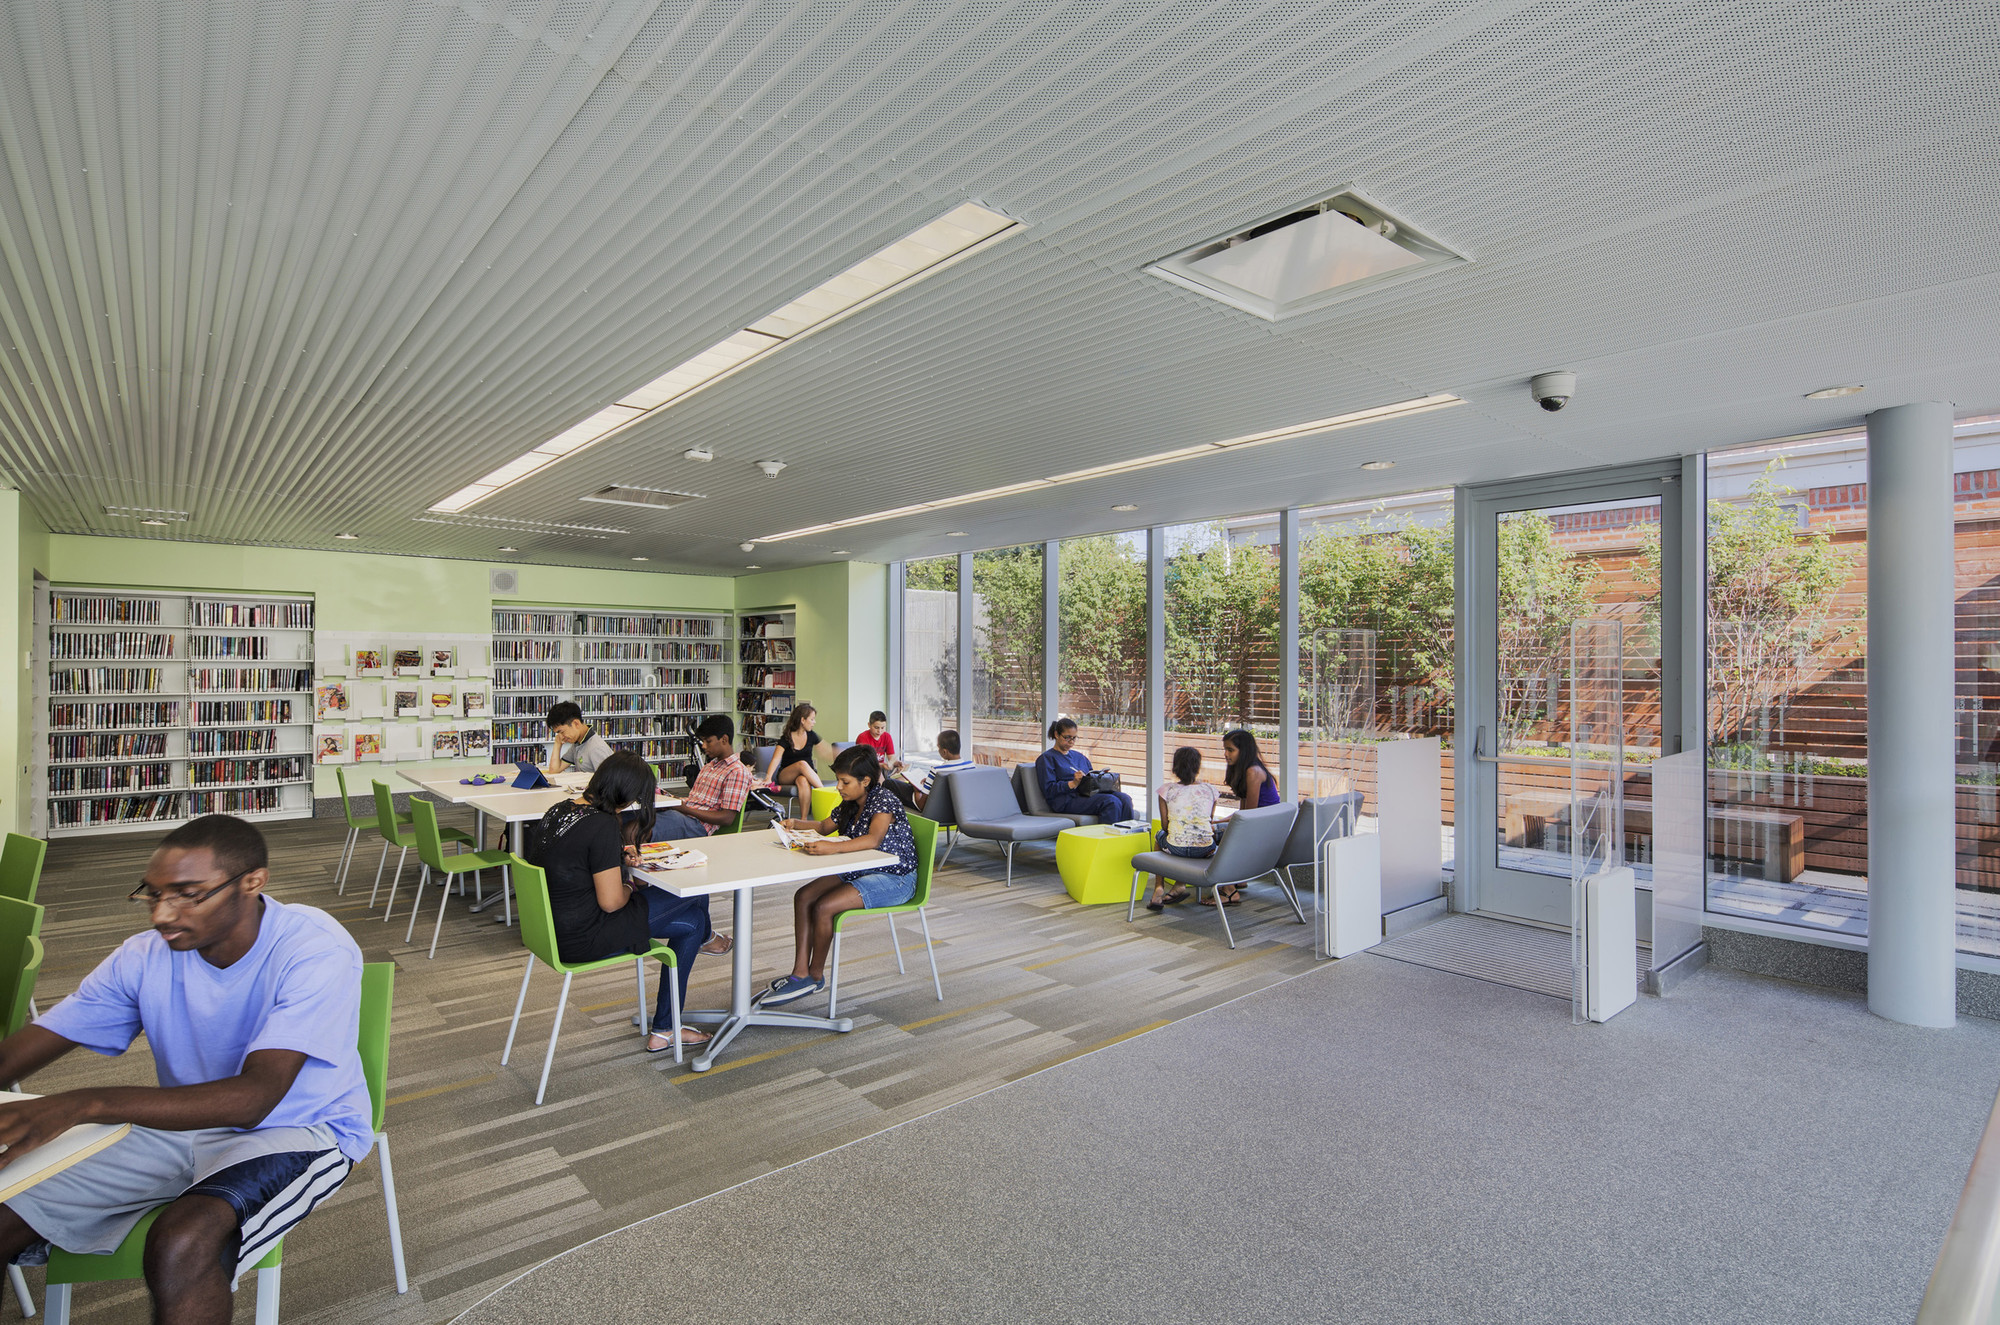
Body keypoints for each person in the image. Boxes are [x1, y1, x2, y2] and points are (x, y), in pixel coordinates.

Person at [0, 814, 372, 1323]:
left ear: (252, 882)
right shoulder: (143, 956)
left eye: (187, 894)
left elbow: (254, 1099)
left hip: (300, 1128)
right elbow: (22, 1053)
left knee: (181, 1240)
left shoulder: (313, 948)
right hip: (183, 1121)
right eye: (152, 894)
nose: (161, 914)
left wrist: (83, 1104)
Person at [533, 752, 713, 1053]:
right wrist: (631, 883)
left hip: (551, 928)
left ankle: (665, 1029)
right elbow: (613, 902)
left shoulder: (560, 809)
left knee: (692, 922)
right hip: (585, 935)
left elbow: (574, 861)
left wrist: (617, 858)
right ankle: (708, 939)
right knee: (694, 890)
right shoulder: (602, 825)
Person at [757, 746, 921, 1008]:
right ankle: (800, 972)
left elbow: (873, 839)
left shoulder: (884, 799)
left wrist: (831, 847)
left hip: (895, 877)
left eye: (845, 782)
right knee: (804, 896)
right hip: (862, 868)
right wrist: (796, 824)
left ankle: (815, 976)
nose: (839, 787)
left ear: (865, 781)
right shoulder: (850, 802)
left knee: (824, 907)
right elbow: (823, 826)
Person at [651, 714, 753, 841]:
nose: (703, 746)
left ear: (724, 740)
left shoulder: (737, 772)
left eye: (708, 741)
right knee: (632, 817)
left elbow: (727, 818)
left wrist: (685, 809)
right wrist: (671, 800)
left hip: (697, 826)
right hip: (684, 815)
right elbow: (696, 800)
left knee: (640, 828)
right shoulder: (708, 766)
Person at [1147, 746, 1220, 911]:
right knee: (1199, 837)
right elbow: (1208, 821)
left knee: (1159, 836)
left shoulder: (1165, 790)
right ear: (1198, 767)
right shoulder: (1211, 790)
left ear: (1175, 768)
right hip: (1205, 849)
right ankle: (1180, 884)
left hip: (1176, 847)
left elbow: (1166, 826)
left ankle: (1159, 887)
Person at [1035, 717, 1134, 825]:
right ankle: (1107, 840)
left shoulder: (1079, 756)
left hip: (1084, 794)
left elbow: (1090, 777)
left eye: (1074, 738)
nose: (1071, 742)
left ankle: (1126, 836)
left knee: (1125, 799)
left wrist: (1099, 779)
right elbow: (1048, 790)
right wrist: (1073, 783)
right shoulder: (1047, 758)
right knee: (1110, 802)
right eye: (1067, 737)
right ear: (1056, 735)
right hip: (1065, 800)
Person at [895, 728, 971, 812]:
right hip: (958, 811)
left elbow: (921, 806)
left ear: (944, 752)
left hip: (936, 812)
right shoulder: (970, 766)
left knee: (890, 783)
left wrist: (916, 789)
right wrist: (932, 782)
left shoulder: (937, 771)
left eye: (938, 748)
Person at [770, 703, 823, 806]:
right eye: (812, 719)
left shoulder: (812, 735)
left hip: (804, 775)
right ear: (803, 720)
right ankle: (823, 792)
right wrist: (768, 777)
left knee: (802, 780)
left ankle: (803, 819)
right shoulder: (787, 737)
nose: (814, 722)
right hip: (786, 776)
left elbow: (826, 751)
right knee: (802, 764)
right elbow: (776, 759)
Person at [545, 701, 614, 774]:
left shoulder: (596, 748)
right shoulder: (578, 744)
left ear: (576, 723)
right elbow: (554, 771)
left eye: (562, 732)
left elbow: (608, 782)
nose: (561, 737)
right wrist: (557, 744)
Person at [1222, 729, 1280, 809]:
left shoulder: (1253, 771)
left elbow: (1249, 812)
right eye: (1225, 749)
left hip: (1267, 818)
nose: (1225, 754)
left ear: (1243, 751)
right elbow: (1243, 810)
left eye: (1230, 750)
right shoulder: (1243, 770)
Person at [854, 711, 904, 777]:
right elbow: (865, 763)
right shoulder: (862, 737)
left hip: (881, 770)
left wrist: (896, 763)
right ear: (869, 725)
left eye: (883, 728)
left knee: (902, 776)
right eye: (876, 728)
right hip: (867, 770)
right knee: (879, 775)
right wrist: (882, 765)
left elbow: (891, 758)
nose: (879, 731)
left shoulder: (887, 736)